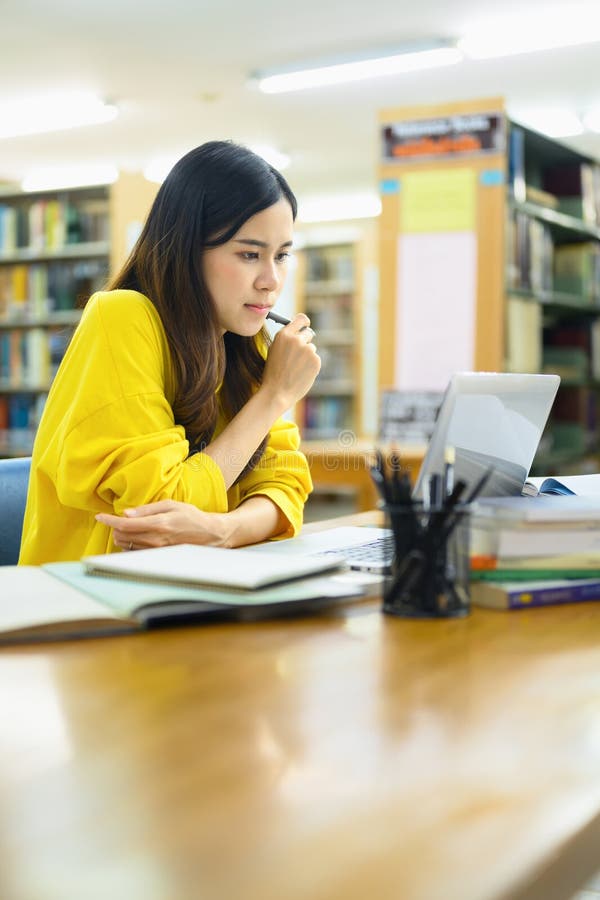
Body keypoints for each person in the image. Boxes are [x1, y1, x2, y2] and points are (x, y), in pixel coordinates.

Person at [19, 141, 320, 565]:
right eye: (250, 254)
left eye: (282, 255)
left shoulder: (244, 339)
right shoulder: (121, 317)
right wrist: (274, 395)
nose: (271, 280)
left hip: (202, 580)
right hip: (97, 592)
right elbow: (161, 509)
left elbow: (285, 487)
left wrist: (222, 531)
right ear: (188, 249)